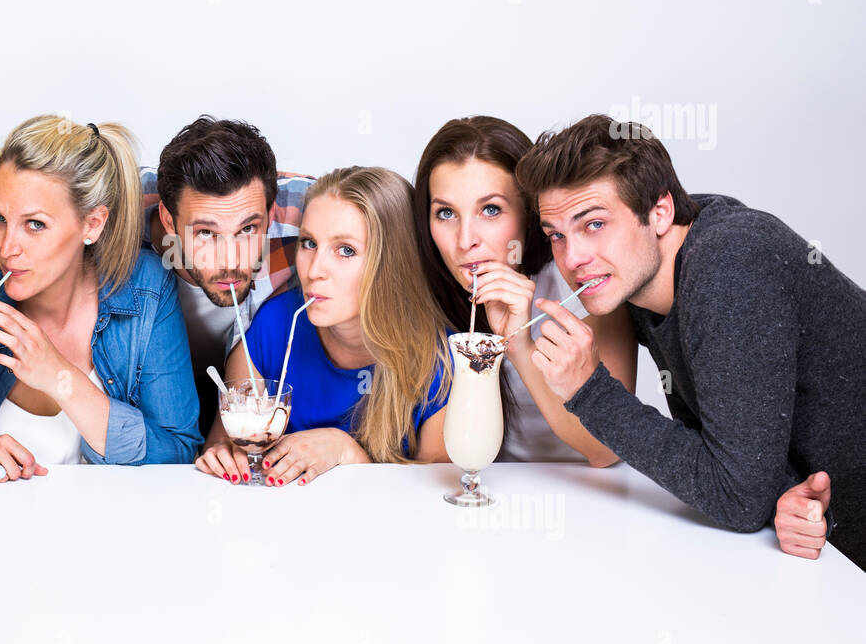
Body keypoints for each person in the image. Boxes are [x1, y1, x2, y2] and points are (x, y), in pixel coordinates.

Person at [514, 114, 865, 569]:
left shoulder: (730, 265)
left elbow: (737, 498)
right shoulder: (645, 269)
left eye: (594, 224)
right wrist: (779, 494)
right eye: (557, 236)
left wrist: (590, 392)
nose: (573, 258)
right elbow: (734, 459)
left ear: (660, 211)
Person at [0, 116, 203, 476]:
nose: (7, 248)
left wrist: (61, 378)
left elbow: (181, 452)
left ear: (92, 224)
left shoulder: (146, 289)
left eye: (35, 224)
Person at [197, 166, 452, 486]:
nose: (315, 270)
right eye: (308, 243)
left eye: (346, 250)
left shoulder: (443, 360)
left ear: (392, 264)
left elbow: (437, 502)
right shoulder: (272, 327)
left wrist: (349, 453)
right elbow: (225, 455)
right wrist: (224, 457)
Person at [413, 115, 638, 465]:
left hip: (583, 497)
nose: (465, 240)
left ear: (529, 213)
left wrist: (519, 346)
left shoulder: (583, 285)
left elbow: (606, 451)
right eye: (445, 213)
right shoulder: (429, 290)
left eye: (490, 210)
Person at [140, 116, 312, 433]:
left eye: (248, 229)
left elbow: (385, 221)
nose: (230, 260)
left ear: (271, 213)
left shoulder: (306, 211)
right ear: (167, 219)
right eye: (206, 233)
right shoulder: (123, 215)